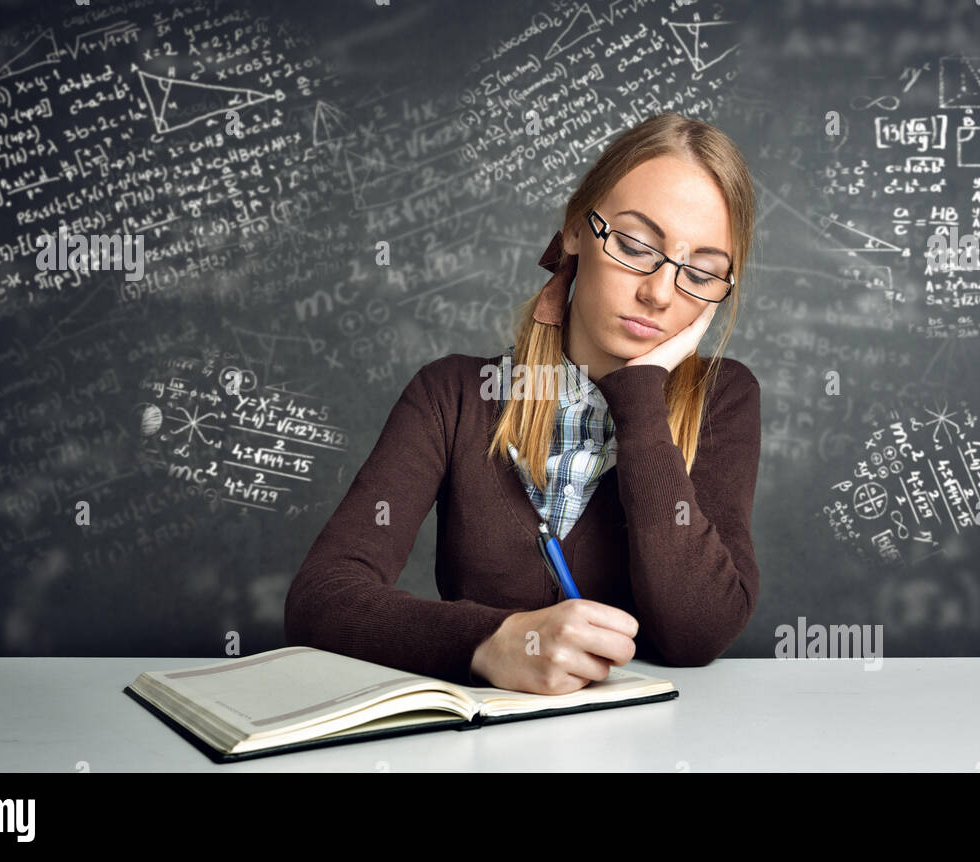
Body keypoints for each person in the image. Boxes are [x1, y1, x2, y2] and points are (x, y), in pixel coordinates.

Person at [285, 112, 761, 695]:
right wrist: (490, 641)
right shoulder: (452, 395)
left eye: (701, 272)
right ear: (575, 231)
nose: (659, 293)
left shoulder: (723, 399)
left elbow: (698, 632)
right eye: (637, 244)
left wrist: (640, 394)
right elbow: (321, 597)